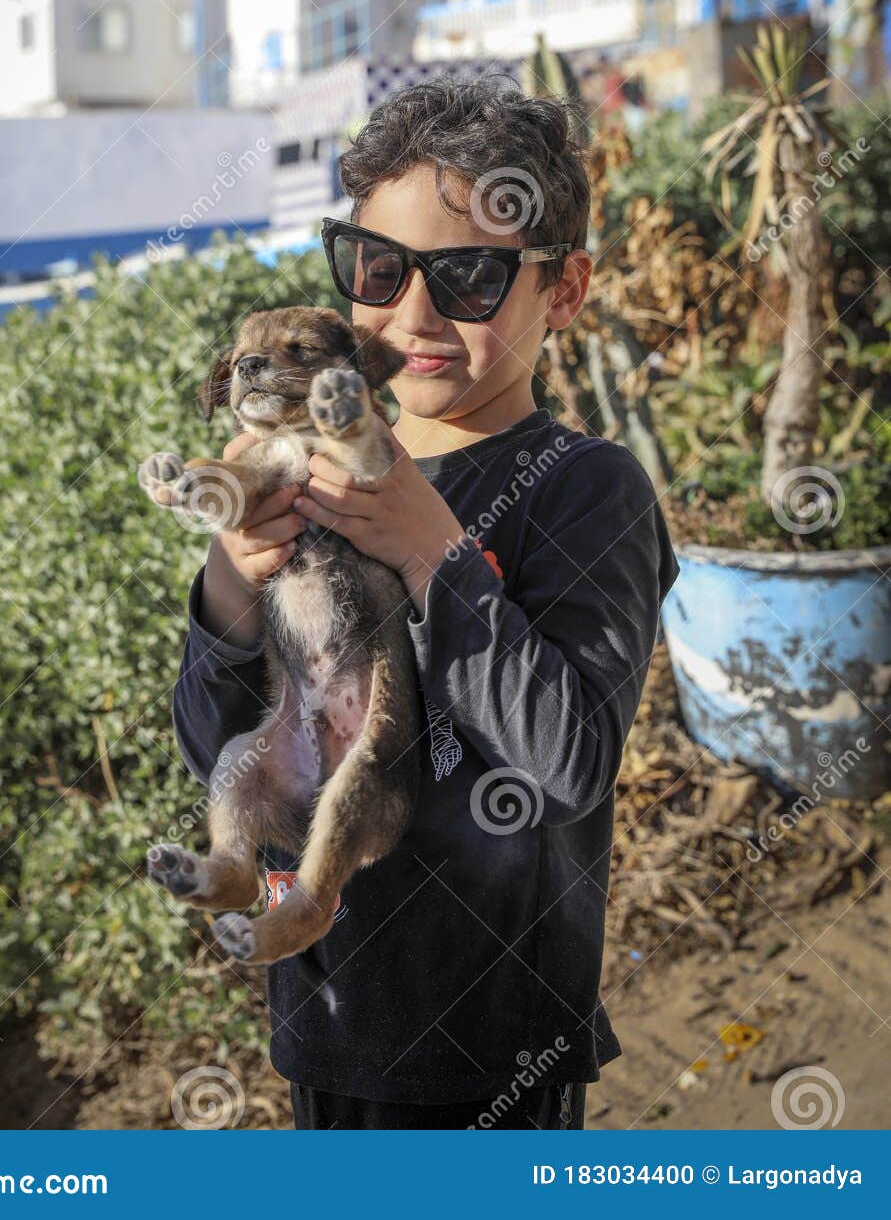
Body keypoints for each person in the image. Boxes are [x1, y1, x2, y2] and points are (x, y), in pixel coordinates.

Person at [172, 81, 678, 1130]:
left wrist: (431, 548)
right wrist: (231, 578)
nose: (411, 315)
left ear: (565, 289)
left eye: (470, 278)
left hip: (493, 1049)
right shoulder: (302, 478)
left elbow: (569, 758)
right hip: (327, 1014)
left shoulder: (586, 489)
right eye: (377, 268)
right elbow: (214, 740)